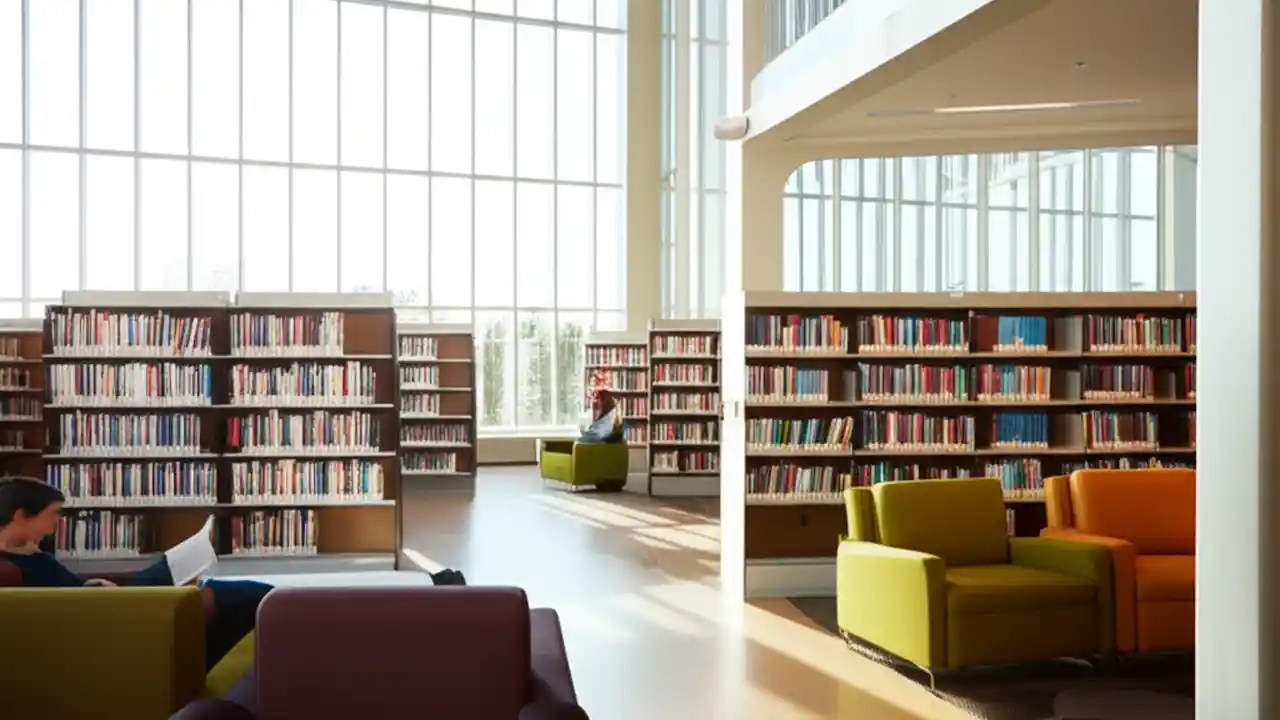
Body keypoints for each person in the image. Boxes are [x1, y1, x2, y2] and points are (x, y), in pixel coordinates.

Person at [0, 476, 467, 670]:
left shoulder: (22, 554)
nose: (56, 525)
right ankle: (420, 604)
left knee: (275, 600)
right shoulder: (13, 569)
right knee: (276, 604)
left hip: (117, 608)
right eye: (52, 516)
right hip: (127, 620)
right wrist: (95, 595)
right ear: (21, 515)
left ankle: (422, 594)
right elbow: (61, 618)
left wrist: (91, 586)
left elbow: (60, 601)